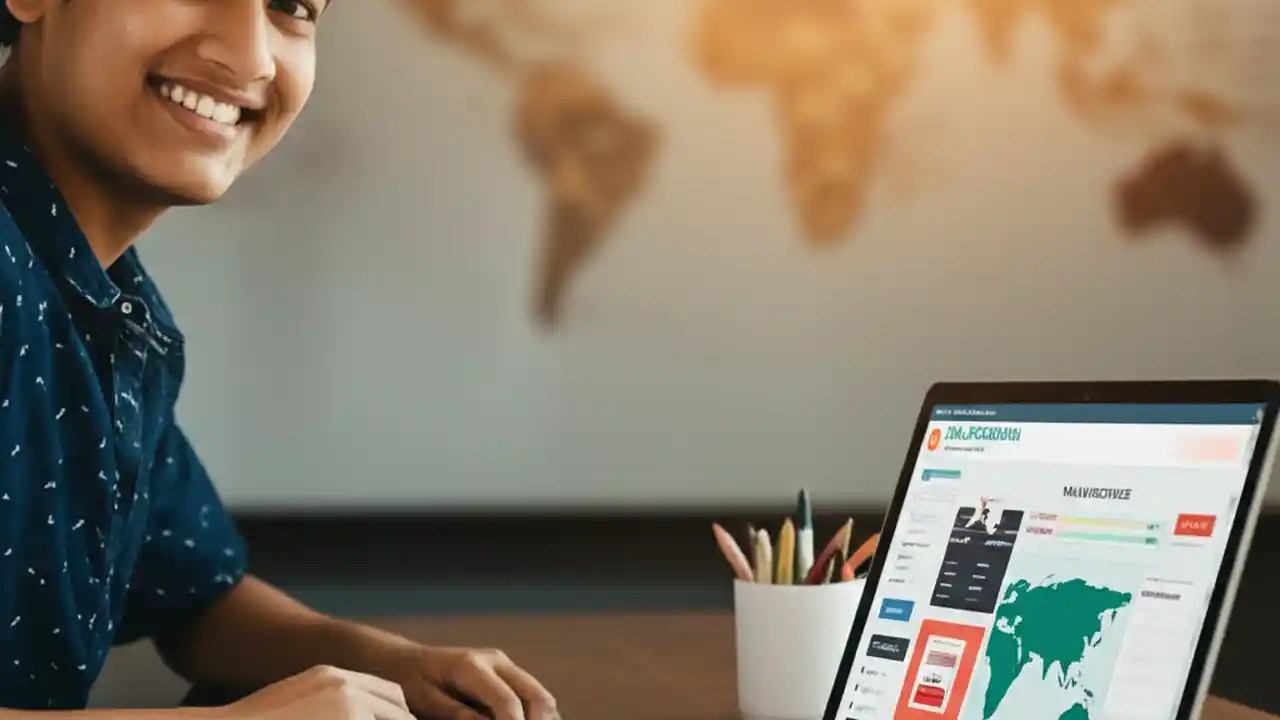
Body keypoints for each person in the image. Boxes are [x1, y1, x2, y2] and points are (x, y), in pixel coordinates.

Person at [0, 1, 557, 718]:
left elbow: (195, 594)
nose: (251, 57)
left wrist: (397, 666)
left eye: (293, 6)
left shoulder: (105, 305)